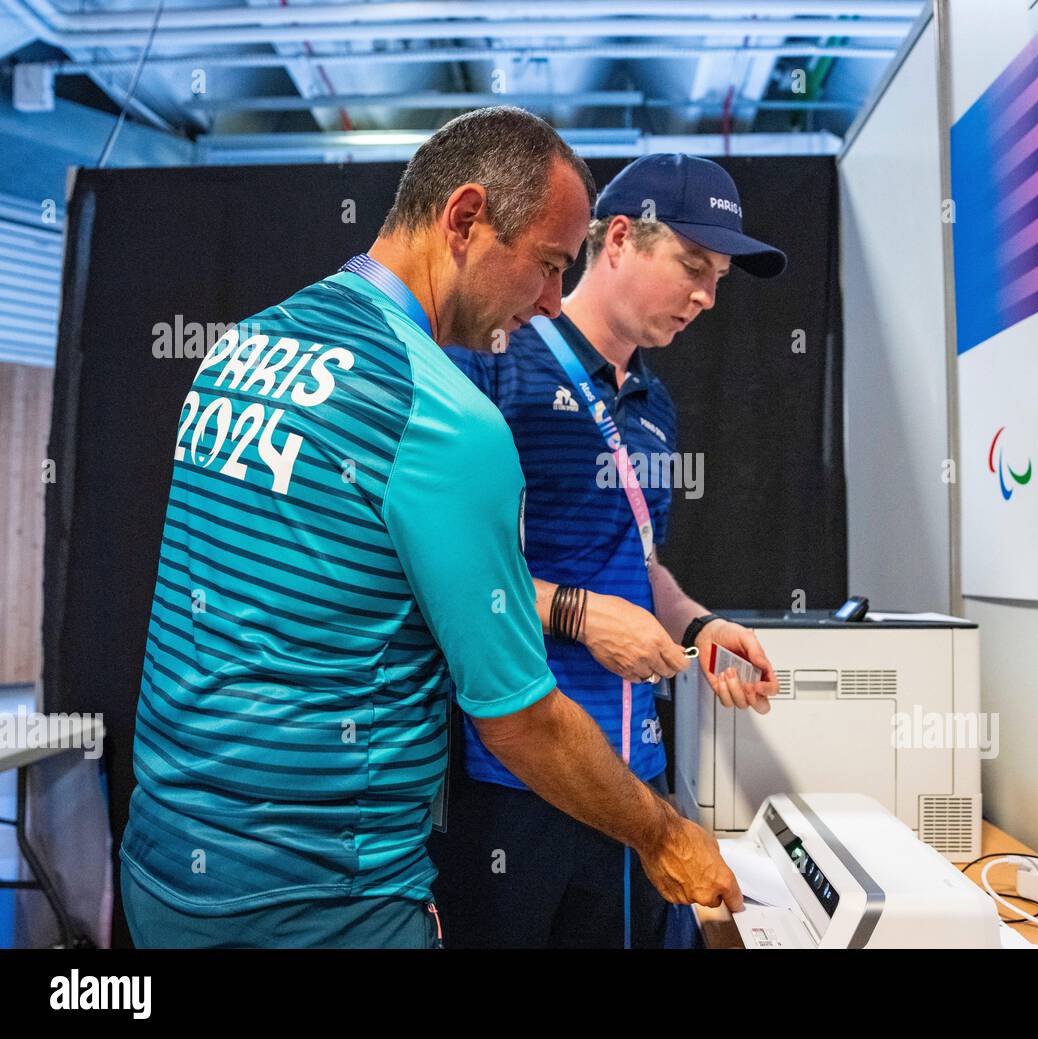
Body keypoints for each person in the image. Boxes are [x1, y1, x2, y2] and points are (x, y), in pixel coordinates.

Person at [119, 108, 740, 949]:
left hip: (164, 865)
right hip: (325, 898)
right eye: (550, 265)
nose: (553, 298)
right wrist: (665, 834)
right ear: (465, 219)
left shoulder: (245, 345)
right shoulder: (448, 416)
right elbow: (516, 717)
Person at [435, 153, 785, 949]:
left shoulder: (654, 403)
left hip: (635, 775)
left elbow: (642, 561)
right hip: (519, 767)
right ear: (619, 238)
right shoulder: (495, 360)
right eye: (692, 265)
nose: (705, 295)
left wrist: (701, 630)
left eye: (720, 278)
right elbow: (443, 570)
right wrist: (581, 615)